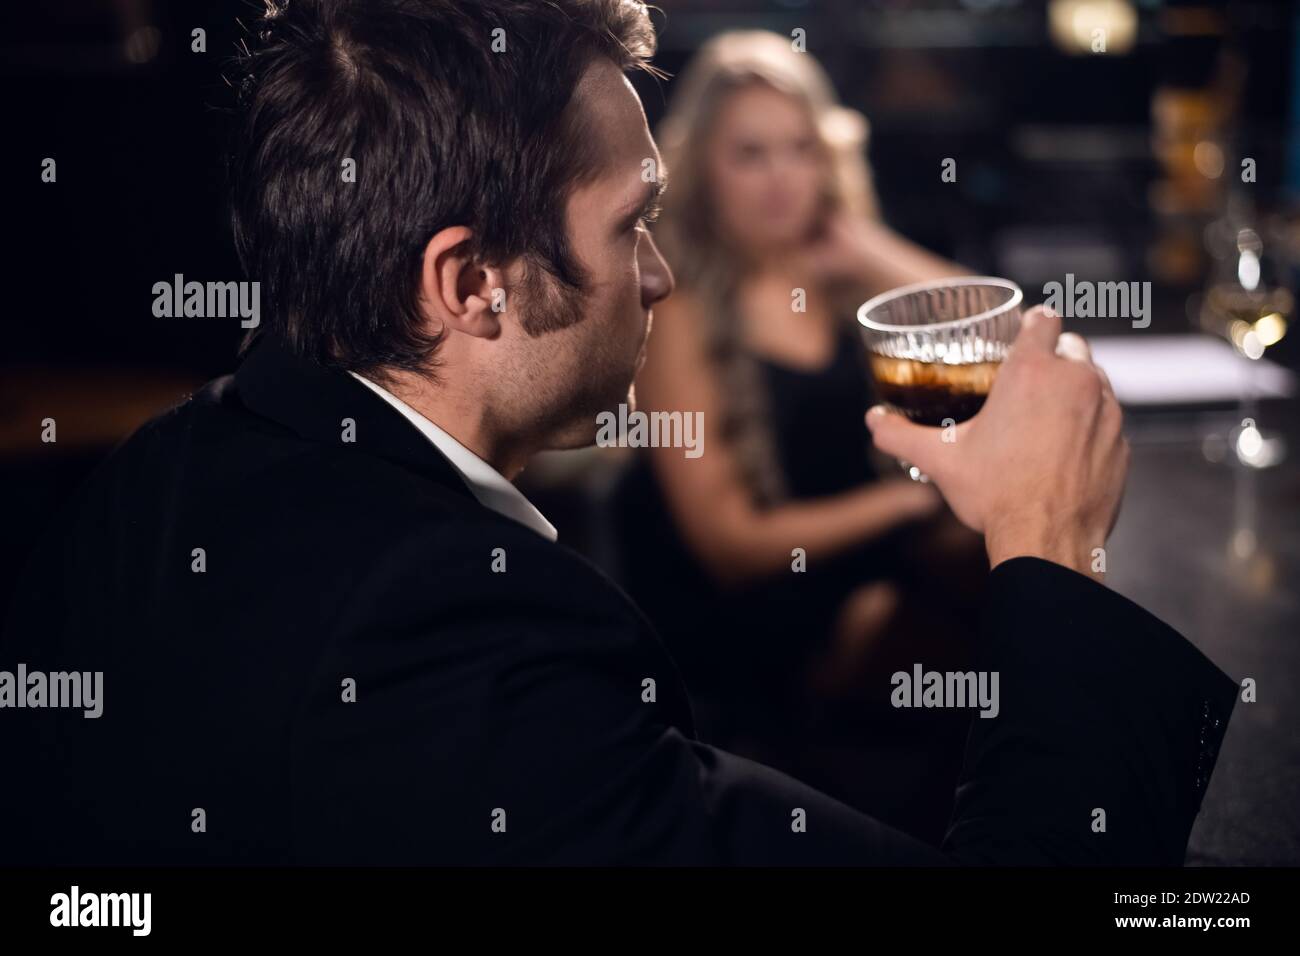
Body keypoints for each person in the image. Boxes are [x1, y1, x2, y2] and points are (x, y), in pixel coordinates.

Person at [0, 0, 1233, 865]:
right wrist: (1045, 541)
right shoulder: (466, 658)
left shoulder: (160, 465)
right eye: (631, 222)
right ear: (471, 283)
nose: (657, 273)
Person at [612, 32, 986, 792]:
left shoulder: (841, 274)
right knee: (977, 636)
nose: (782, 179)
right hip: (755, 620)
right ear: (703, 169)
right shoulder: (677, 307)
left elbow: (1000, 340)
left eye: (801, 149)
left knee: (1013, 573)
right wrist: (909, 502)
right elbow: (730, 545)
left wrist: (871, 250)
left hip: (871, 578)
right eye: (750, 154)